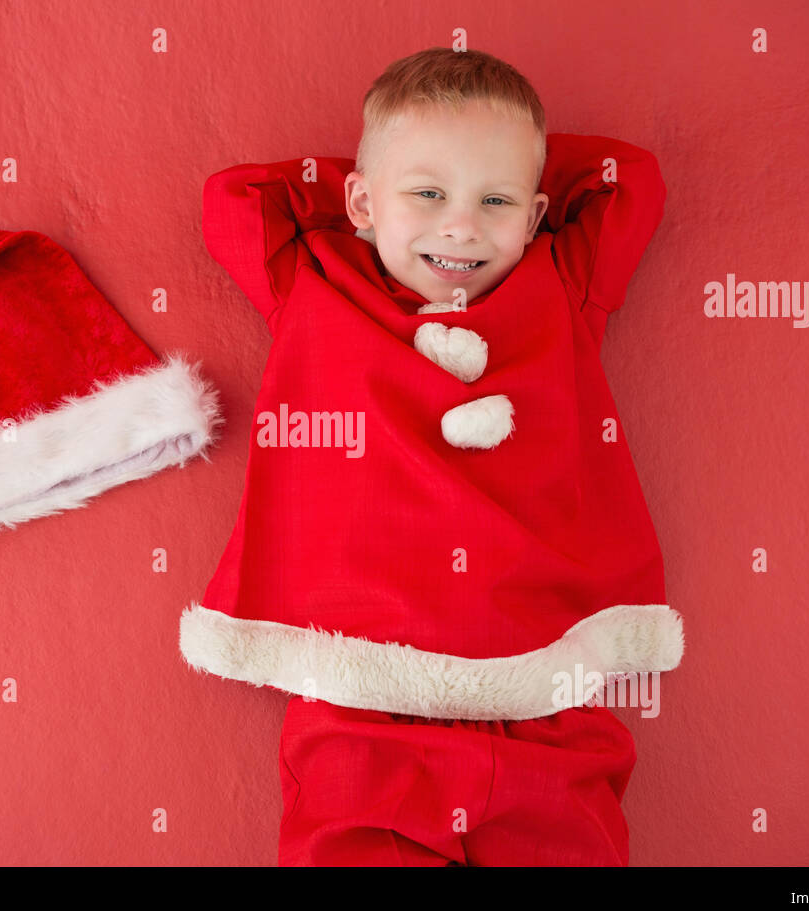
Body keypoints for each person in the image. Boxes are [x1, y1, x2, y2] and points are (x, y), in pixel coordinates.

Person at [180, 46, 683, 865]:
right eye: (428, 193)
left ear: (537, 213)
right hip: (361, 704)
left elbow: (633, 182)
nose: (460, 226)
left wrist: (477, 180)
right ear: (360, 202)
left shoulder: (564, 280)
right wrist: (380, 194)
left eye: (495, 200)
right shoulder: (312, 277)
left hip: (546, 700)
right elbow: (231, 199)